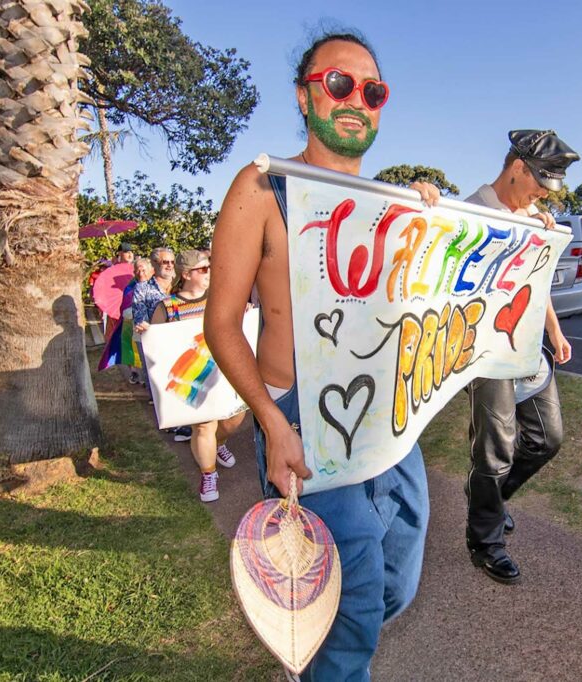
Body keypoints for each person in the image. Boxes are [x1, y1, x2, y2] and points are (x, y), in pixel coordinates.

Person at [205, 31, 430, 681]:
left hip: (383, 416)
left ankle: (325, 647)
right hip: (300, 416)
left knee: (398, 576)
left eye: (372, 90)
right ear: (305, 98)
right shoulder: (261, 186)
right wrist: (271, 424)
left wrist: (430, 220)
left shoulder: (388, 207)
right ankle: (334, 659)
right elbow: (222, 325)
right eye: (338, 84)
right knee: (354, 590)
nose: (356, 99)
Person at [462, 129, 580, 584]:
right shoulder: (470, 212)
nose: (542, 195)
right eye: (539, 184)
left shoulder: (534, 218)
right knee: (494, 449)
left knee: (547, 439)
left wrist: (555, 329)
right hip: (487, 350)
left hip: (529, 344)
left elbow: (537, 281)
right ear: (517, 168)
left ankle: (487, 501)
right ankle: (486, 542)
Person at [151, 250, 244, 501]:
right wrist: (148, 332)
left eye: (209, 268)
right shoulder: (167, 307)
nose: (209, 273)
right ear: (186, 274)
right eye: (203, 269)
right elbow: (157, 343)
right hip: (193, 377)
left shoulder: (217, 298)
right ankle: (208, 473)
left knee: (235, 418)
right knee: (204, 424)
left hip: (224, 370)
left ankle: (218, 445)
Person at [134, 247, 190, 441]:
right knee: (161, 382)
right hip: (156, 341)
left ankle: (187, 420)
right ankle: (173, 424)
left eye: (171, 262)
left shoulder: (181, 285)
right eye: (164, 262)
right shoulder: (143, 288)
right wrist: (143, 325)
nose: (169, 265)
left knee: (183, 378)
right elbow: (139, 314)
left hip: (182, 339)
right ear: (155, 264)